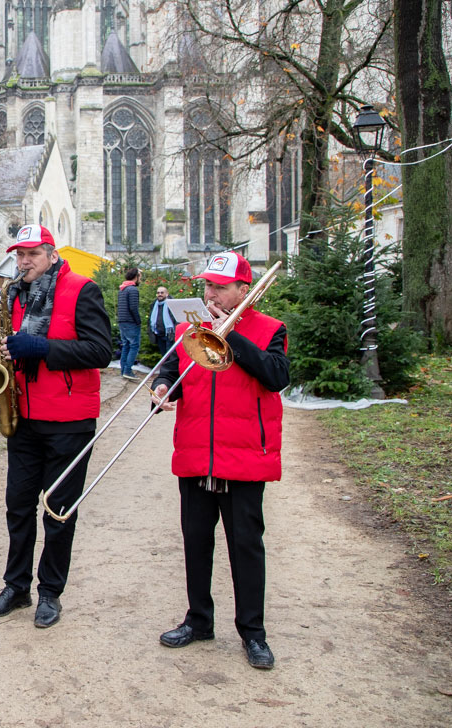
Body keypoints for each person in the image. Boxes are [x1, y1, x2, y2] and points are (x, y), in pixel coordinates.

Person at [150, 250, 289, 670]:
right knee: (196, 541)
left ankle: (253, 633)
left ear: (243, 291)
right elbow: (170, 372)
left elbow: (277, 376)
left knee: (245, 546)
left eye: (220, 286)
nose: (210, 292)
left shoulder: (270, 330)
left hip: (244, 454)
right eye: (207, 284)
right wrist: (160, 389)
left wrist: (231, 336)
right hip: (196, 450)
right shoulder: (189, 329)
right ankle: (198, 621)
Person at [0, 224, 112, 629]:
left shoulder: (82, 289)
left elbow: (101, 350)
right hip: (25, 418)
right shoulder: (15, 294)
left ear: (52, 255)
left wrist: (41, 348)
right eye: (19, 255)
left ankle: (50, 593)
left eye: (32, 254)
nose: (23, 262)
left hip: (70, 421)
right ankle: (16, 587)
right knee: (18, 507)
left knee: (58, 512)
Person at [116, 267, 142, 381]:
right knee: (134, 346)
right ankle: (128, 370)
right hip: (130, 322)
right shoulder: (132, 290)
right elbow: (133, 307)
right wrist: (138, 321)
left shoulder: (122, 289)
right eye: (140, 276)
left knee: (126, 345)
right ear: (136, 277)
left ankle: (123, 370)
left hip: (122, 321)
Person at [149, 286, 177, 359]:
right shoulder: (154, 305)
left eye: (162, 292)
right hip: (159, 334)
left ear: (167, 294)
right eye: (158, 293)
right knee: (163, 356)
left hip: (169, 334)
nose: (160, 294)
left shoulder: (172, 304)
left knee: (170, 356)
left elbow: (176, 320)